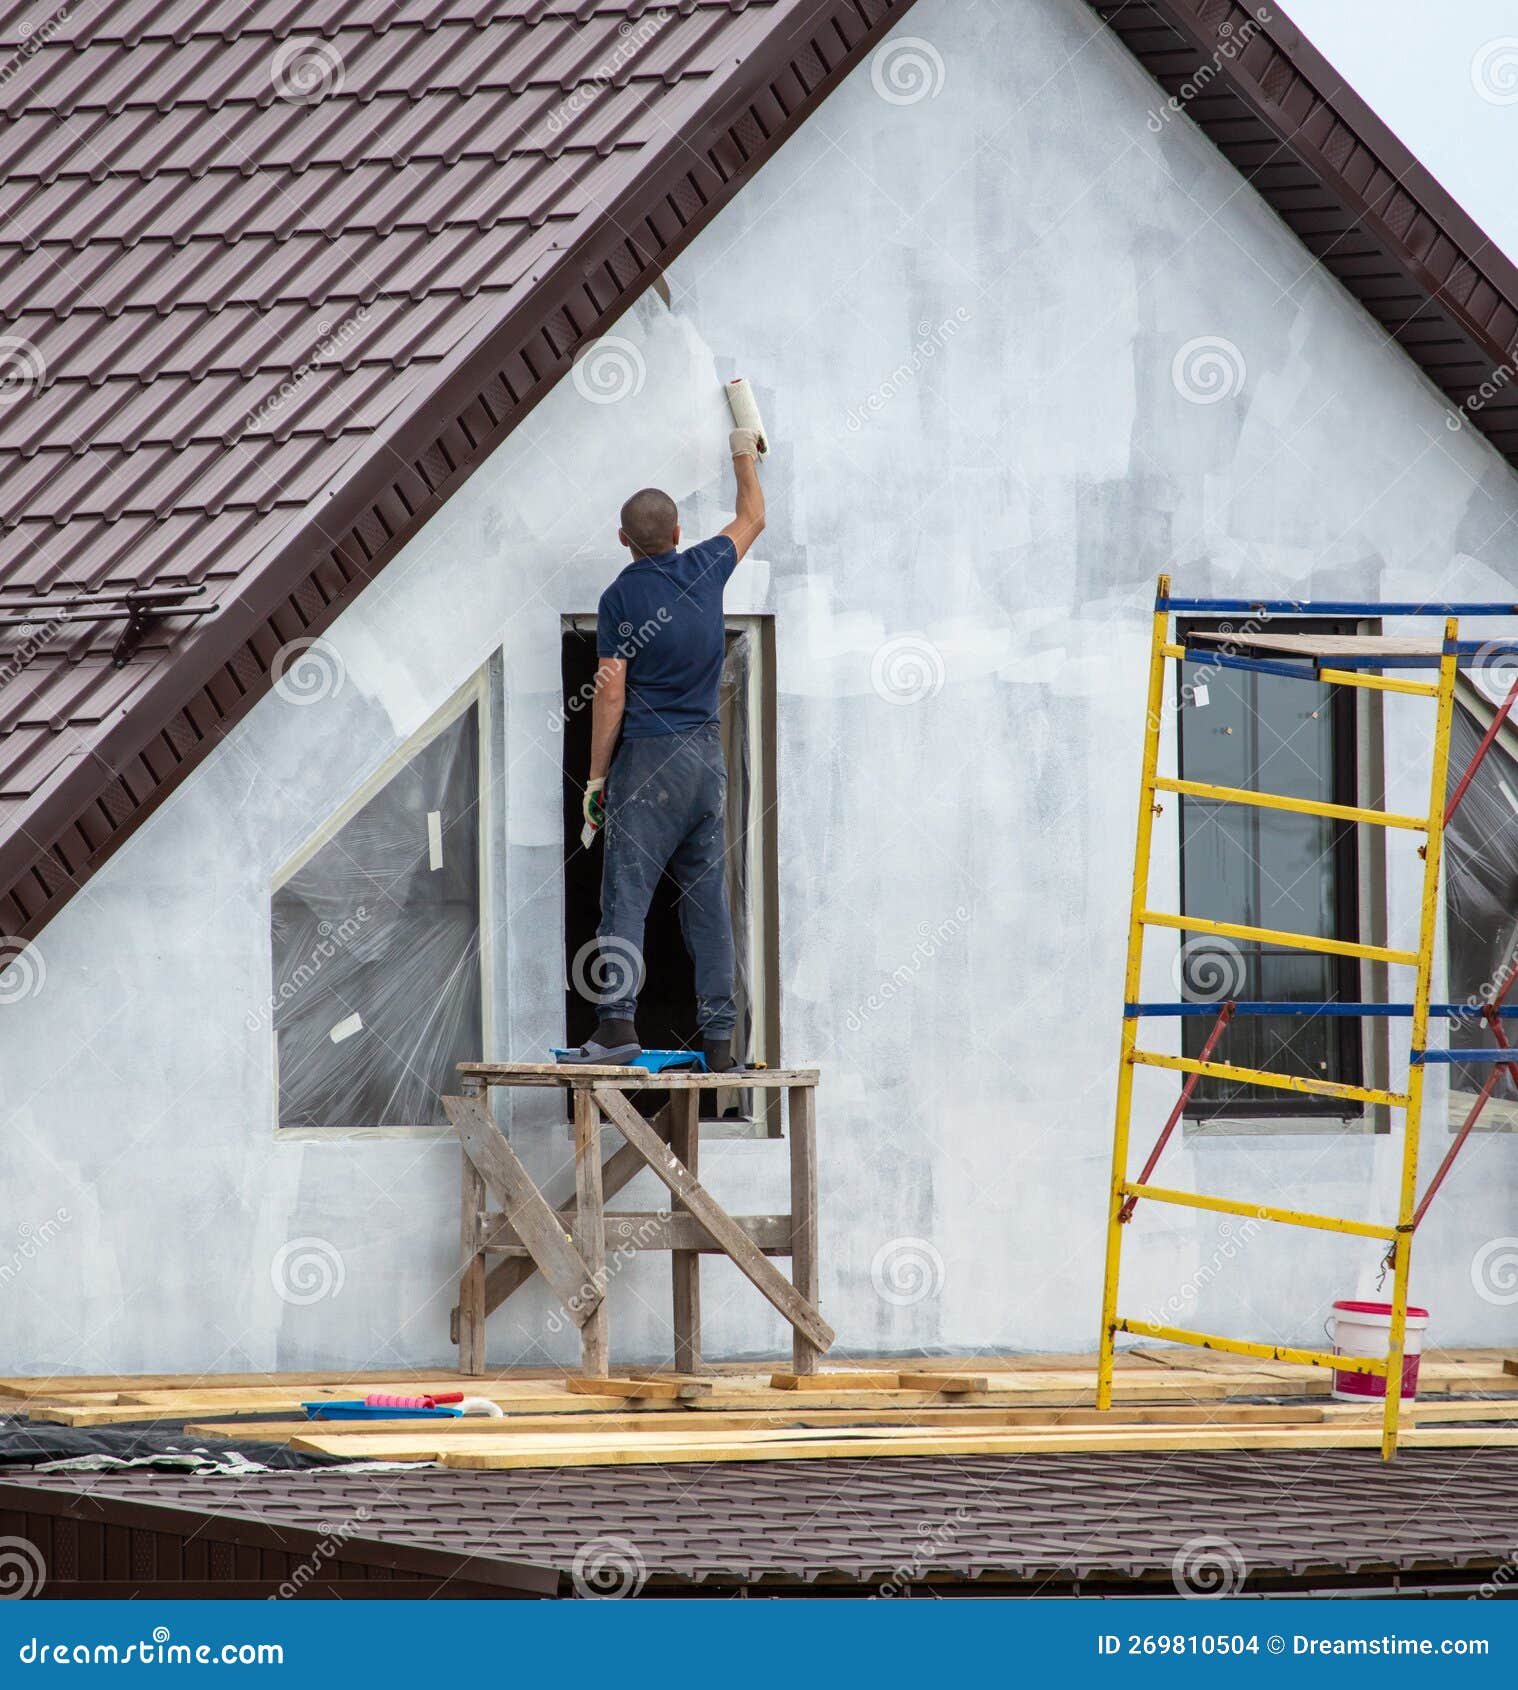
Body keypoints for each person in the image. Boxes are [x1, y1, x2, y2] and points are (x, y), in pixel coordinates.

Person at [562, 426, 766, 1068]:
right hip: (707, 760)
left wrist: (595, 780)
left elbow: (611, 694)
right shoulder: (707, 566)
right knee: (707, 904)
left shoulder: (621, 595)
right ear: (677, 533)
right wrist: (742, 449)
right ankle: (721, 1042)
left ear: (624, 540)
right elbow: (753, 513)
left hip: (650, 763)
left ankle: (617, 1028)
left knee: (625, 894)